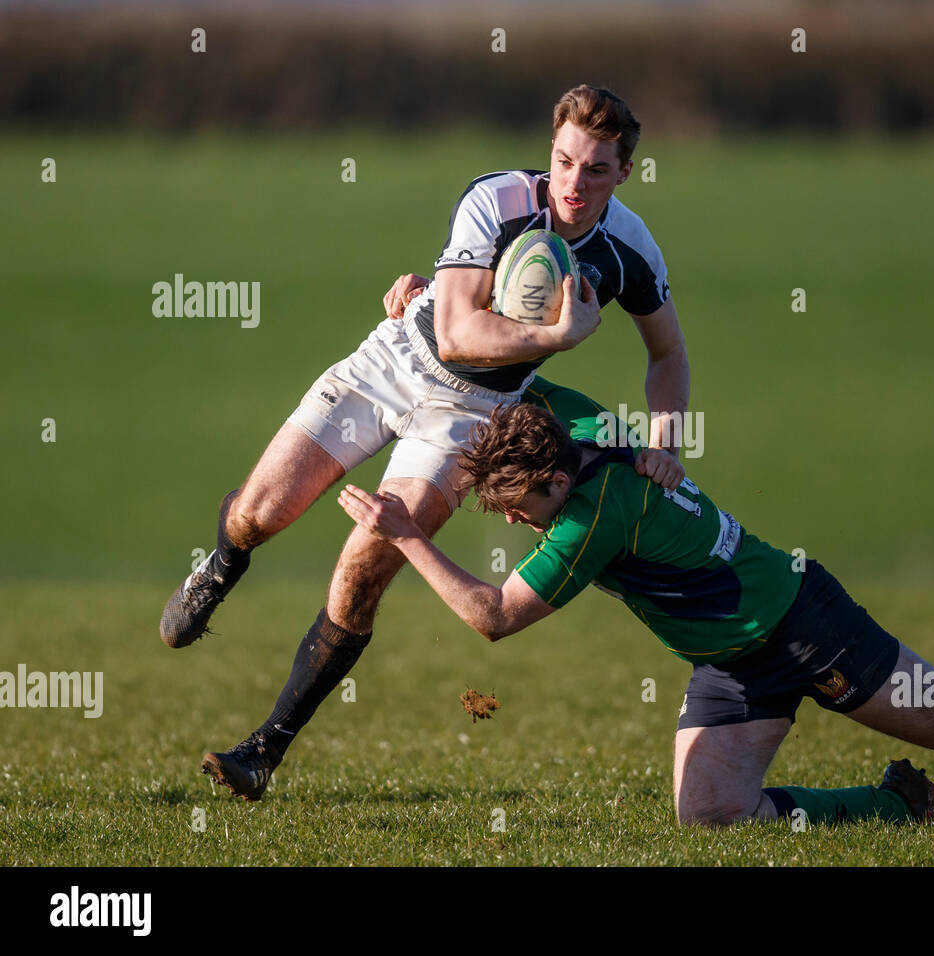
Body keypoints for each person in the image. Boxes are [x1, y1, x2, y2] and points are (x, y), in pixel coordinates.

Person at [337, 389, 934, 828]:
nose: (523, 524)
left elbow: (493, 617)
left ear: (559, 482)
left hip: (799, 625)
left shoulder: (593, 515)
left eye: (525, 508)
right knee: (711, 818)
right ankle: (899, 808)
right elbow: (510, 375)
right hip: (729, 654)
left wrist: (406, 534)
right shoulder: (575, 421)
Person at [163, 85, 690, 800]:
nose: (574, 183)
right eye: (564, 161)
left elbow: (668, 354)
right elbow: (453, 334)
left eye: (596, 169)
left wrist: (667, 440)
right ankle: (221, 566)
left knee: (365, 567)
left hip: (471, 416)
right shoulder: (497, 201)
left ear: (624, 173)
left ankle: (263, 750)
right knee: (260, 514)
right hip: (394, 364)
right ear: (550, 152)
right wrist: (556, 338)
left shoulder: (629, 249)